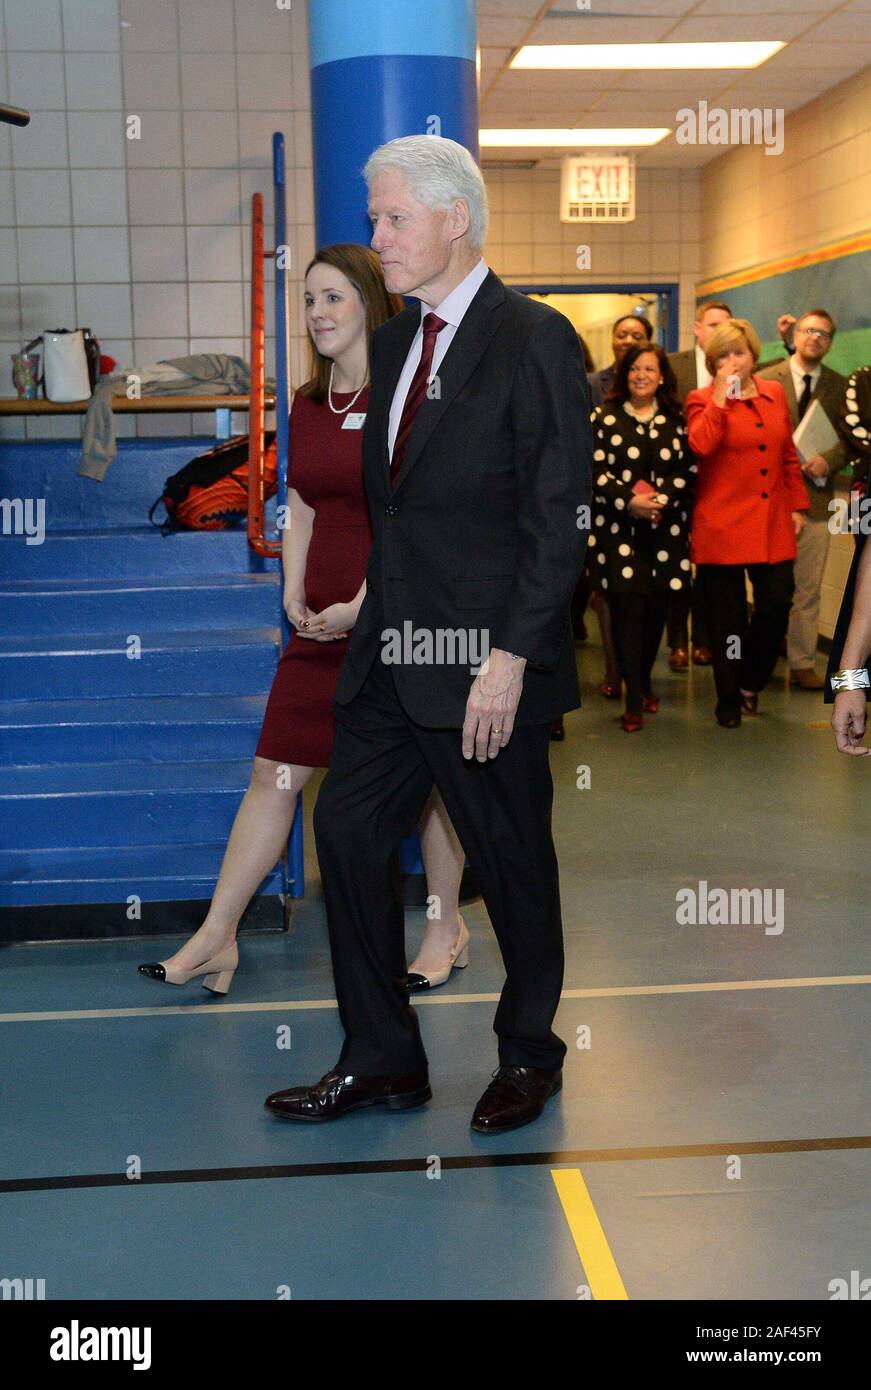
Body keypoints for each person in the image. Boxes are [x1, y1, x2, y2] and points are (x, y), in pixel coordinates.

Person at [263, 134, 591, 1135]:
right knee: (349, 833)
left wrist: (510, 657)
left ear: (455, 218)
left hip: (485, 665)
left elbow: (558, 514)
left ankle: (530, 1053)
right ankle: (382, 1057)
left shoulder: (533, 338)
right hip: (391, 660)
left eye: (392, 217)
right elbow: (396, 511)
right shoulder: (399, 344)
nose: (378, 237)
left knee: (511, 856)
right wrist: (364, 607)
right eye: (374, 218)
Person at [138, 245, 472, 997]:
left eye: (332, 299)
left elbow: (422, 515)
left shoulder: (413, 395)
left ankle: (444, 924)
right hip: (318, 622)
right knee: (273, 771)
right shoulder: (309, 404)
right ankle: (217, 934)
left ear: (370, 306)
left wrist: (366, 600)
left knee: (426, 788)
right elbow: (306, 508)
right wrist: (293, 591)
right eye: (309, 301)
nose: (317, 314)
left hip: (399, 617)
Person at [687, 318, 809, 727]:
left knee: (776, 603)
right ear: (712, 362)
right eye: (722, 355)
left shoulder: (774, 393)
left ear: (753, 355)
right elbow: (700, 445)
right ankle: (727, 699)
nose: (732, 361)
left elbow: (787, 455)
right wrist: (721, 398)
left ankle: (750, 682)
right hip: (721, 524)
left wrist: (797, 506)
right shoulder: (701, 398)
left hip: (772, 521)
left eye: (738, 352)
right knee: (728, 622)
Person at [589, 343, 694, 730]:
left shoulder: (675, 418)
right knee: (627, 612)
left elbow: (688, 471)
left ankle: (644, 678)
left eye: (649, 369)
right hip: (618, 533)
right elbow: (595, 470)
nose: (641, 375)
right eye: (634, 368)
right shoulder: (604, 416)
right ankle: (633, 696)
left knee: (654, 616)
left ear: (662, 376)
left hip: (665, 533)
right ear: (623, 374)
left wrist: (659, 500)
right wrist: (630, 501)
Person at [758, 310, 847, 690]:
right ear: (794, 334)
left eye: (824, 334)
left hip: (815, 498)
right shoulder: (765, 377)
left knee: (808, 588)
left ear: (830, 342)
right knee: (769, 589)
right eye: (809, 330)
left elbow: (851, 437)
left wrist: (830, 459)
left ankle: (803, 662)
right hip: (768, 501)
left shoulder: (840, 386)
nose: (815, 338)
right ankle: (757, 660)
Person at [665, 299, 733, 671]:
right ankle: (677, 642)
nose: (720, 332)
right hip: (678, 479)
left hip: (717, 485)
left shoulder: (738, 372)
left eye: (727, 324)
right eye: (713, 325)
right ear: (697, 328)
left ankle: (704, 640)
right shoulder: (674, 365)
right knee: (678, 565)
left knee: (710, 571)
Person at [588, 313, 653, 408]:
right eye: (621, 336)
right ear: (612, 341)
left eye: (637, 337)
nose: (628, 341)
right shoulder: (592, 384)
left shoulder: (655, 383)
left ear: (648, 343)